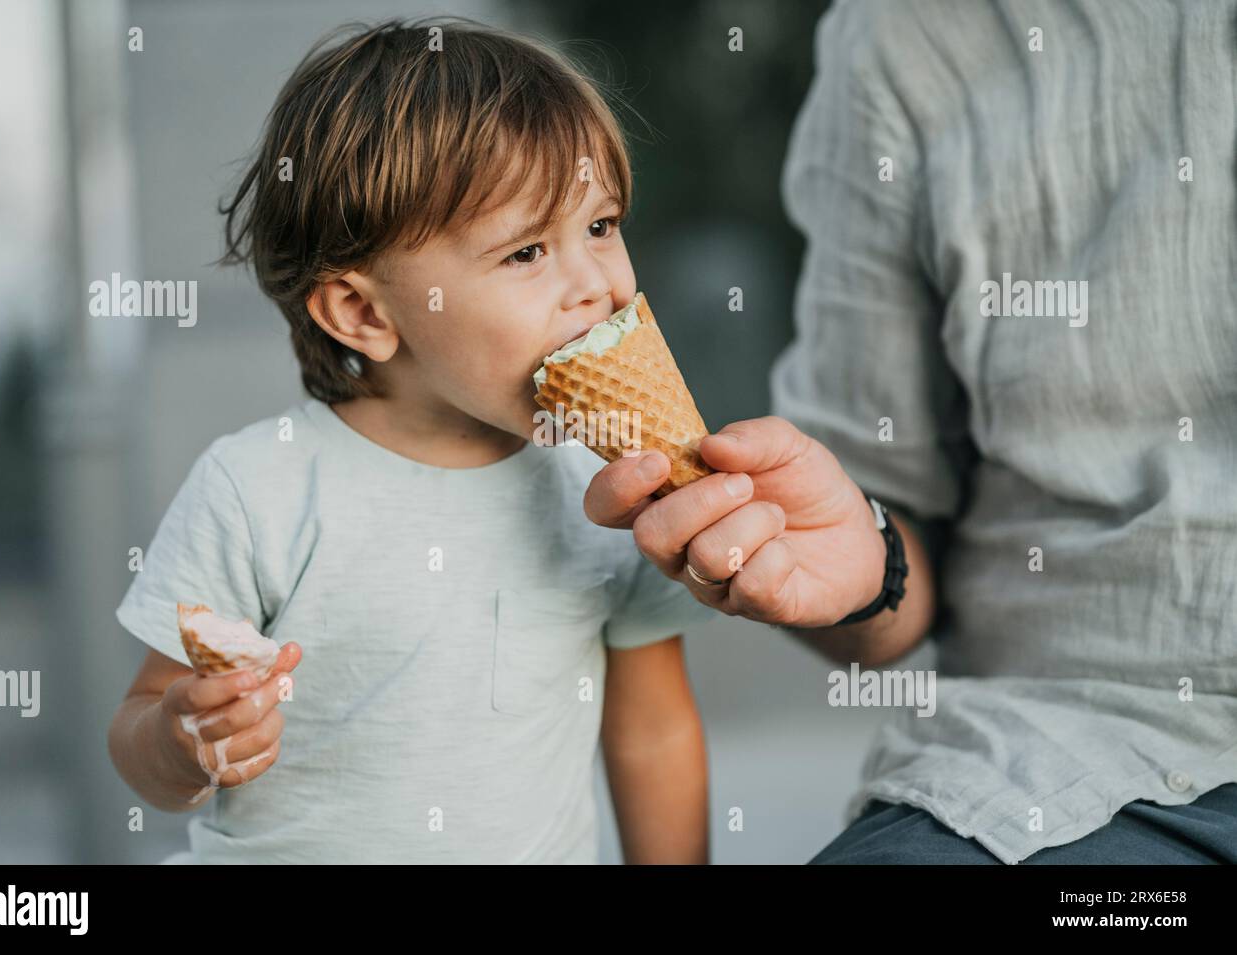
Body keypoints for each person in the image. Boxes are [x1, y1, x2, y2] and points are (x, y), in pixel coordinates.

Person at [583, 0, 1237, 864]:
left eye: (598, 228)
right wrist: (867, 559)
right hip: (1070, 761)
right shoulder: (899, 40)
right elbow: (890, 534)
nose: (591, 285)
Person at [108, 18, 715, 864]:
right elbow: (146, 717)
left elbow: (652, 727)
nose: (595, 287)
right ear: (364, 313)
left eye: (603, 225)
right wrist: (182, 739)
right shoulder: (259, 487)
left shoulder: (615, 482)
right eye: (528, 251)